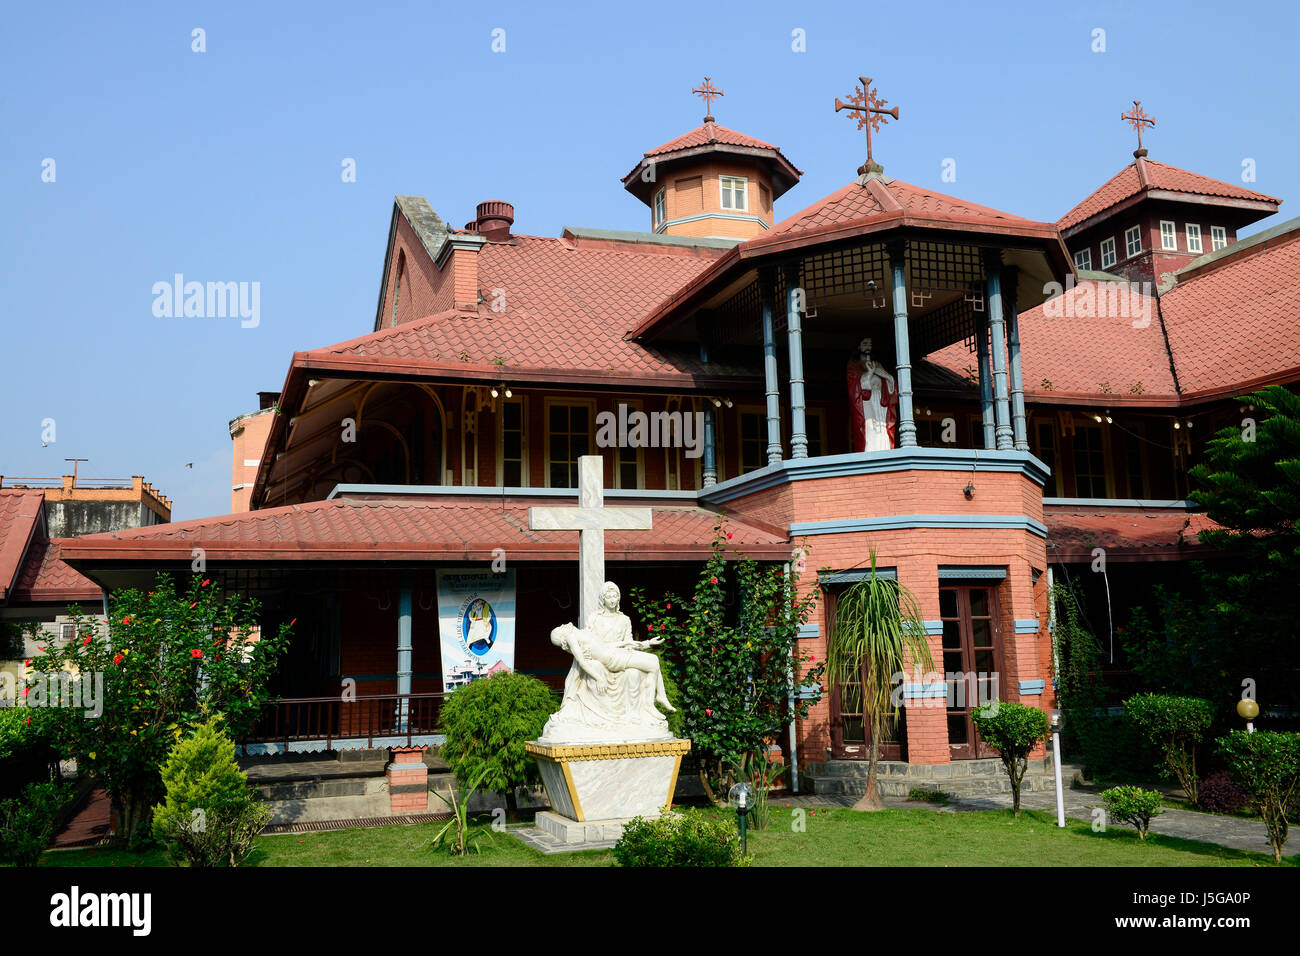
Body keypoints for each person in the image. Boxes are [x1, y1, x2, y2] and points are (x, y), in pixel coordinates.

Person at [846, 336, 898, 451]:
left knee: (882, 428)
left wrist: (884, 375)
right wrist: (869, 373)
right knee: (869, 427)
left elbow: (890, 384)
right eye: (865, 344)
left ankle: (884, 451)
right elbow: (855, 387)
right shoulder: (854, 365)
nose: (868, 347)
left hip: (880, 401)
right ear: (858, 347)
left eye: (870, 344)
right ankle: (870, 452)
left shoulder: (877, 364)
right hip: (865, 402)